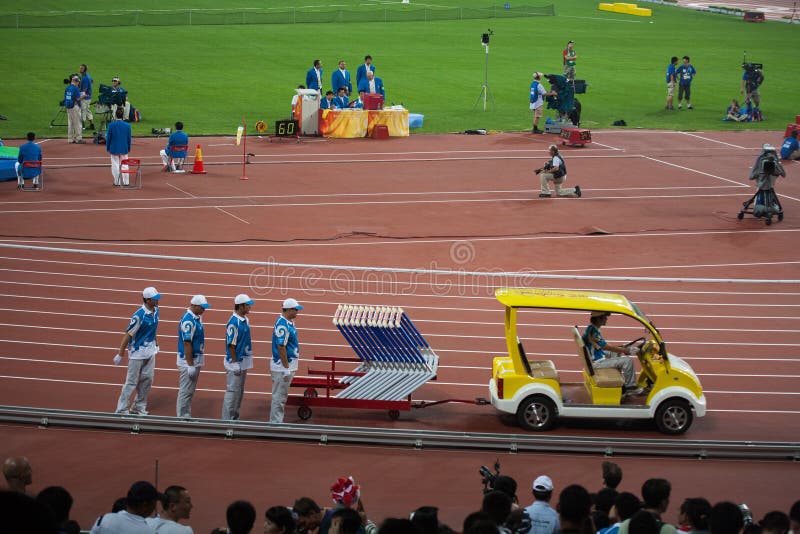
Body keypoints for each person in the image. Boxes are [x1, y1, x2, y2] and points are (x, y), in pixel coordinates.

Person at [113, 286, 161, 415]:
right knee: (131, 382)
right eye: (155, 299)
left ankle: (138, 406)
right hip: (137, 353)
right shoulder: (139, 316)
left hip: (150, 352)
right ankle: (121, 409)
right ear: (147, 300)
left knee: (147, 380)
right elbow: (128, 335)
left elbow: (153, 329)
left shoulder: (156, 311)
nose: (157, 301)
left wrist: (156, 343)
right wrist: (120, 354)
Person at [583, 311, 641, 394]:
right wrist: (626, 350)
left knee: (615, 353)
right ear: (599, 319)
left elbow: (603, 345)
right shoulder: (594, 332)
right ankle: (630, 387)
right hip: (597, 362)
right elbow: (605, 346)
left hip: (594, 356)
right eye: (605, 317)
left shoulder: (591, 328)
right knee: (628, 361)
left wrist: (621, 347)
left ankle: (620, 382)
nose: (606, 319)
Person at [270, 297, 303, 423]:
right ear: (289, 310)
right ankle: (275, 424)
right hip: (282, 366)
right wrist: (285, 367)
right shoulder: (282, 325)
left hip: (286, 365)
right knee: (279, 396)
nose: (297, 312)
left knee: (282, 396)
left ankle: (277, 422)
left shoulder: (288, 322)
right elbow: (281, 347)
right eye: (295, 309)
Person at [176, 295, 210, 418]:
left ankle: (185, 415)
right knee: (186, 391)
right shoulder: (188, 321)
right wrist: (190, 365)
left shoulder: (196, 318)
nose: (204, 310)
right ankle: (182, 417)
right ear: (195, 306)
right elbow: (187, 342)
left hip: (194, 360)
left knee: (189, 391)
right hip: (188, 362)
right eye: (202, 307)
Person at [222, 293, 255, 421]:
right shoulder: (233, 322)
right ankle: (226, 420)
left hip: (242, 361)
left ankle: (234, 418)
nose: (250, 307)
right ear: (241, 306)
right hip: (234, 363)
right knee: (232, 392)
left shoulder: (244, 320)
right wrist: (235, 362)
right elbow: (231, 345)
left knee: (239, 392)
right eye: (248, 305)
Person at [89, 480, 162, 533]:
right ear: (145, 505)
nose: (154, 507)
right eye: (154, 503)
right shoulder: (149, 531)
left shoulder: (104, 519)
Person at [105, 107, 132, 187]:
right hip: (124, 148)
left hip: (114, 148)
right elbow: (129, 138)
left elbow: (108, 138)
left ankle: (117, 182)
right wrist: (128, 147)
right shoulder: (127, 125)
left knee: (115, 165)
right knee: (125, 164)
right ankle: (126, 182)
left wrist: (108, 147)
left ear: (115, 115)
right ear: (122, 116)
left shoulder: (111, 125)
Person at [64, 74, 83, 144]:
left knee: (70, 123)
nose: (78, 83)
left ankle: (70, 139)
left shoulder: (68, 87)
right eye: (78, 81)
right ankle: (78, 139)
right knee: (77, 123)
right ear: (76, 81)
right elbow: (77, 98)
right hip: (75, 107)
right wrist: (83, 96)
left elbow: (66, 97)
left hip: (68, 107)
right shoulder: (75, 88)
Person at [79, 63, 95, 131]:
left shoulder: (85, 78)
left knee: (83, 111)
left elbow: (84, 90)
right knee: (87, 111)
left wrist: (79, 96)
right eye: (80, 68)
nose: (80, 69)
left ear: (85, 69)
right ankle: (92, 125)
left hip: (85, 98)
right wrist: (90, 87)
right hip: (88, 97)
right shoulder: (86, 76)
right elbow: (92, 81)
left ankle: (83, 127)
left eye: (81, 68)